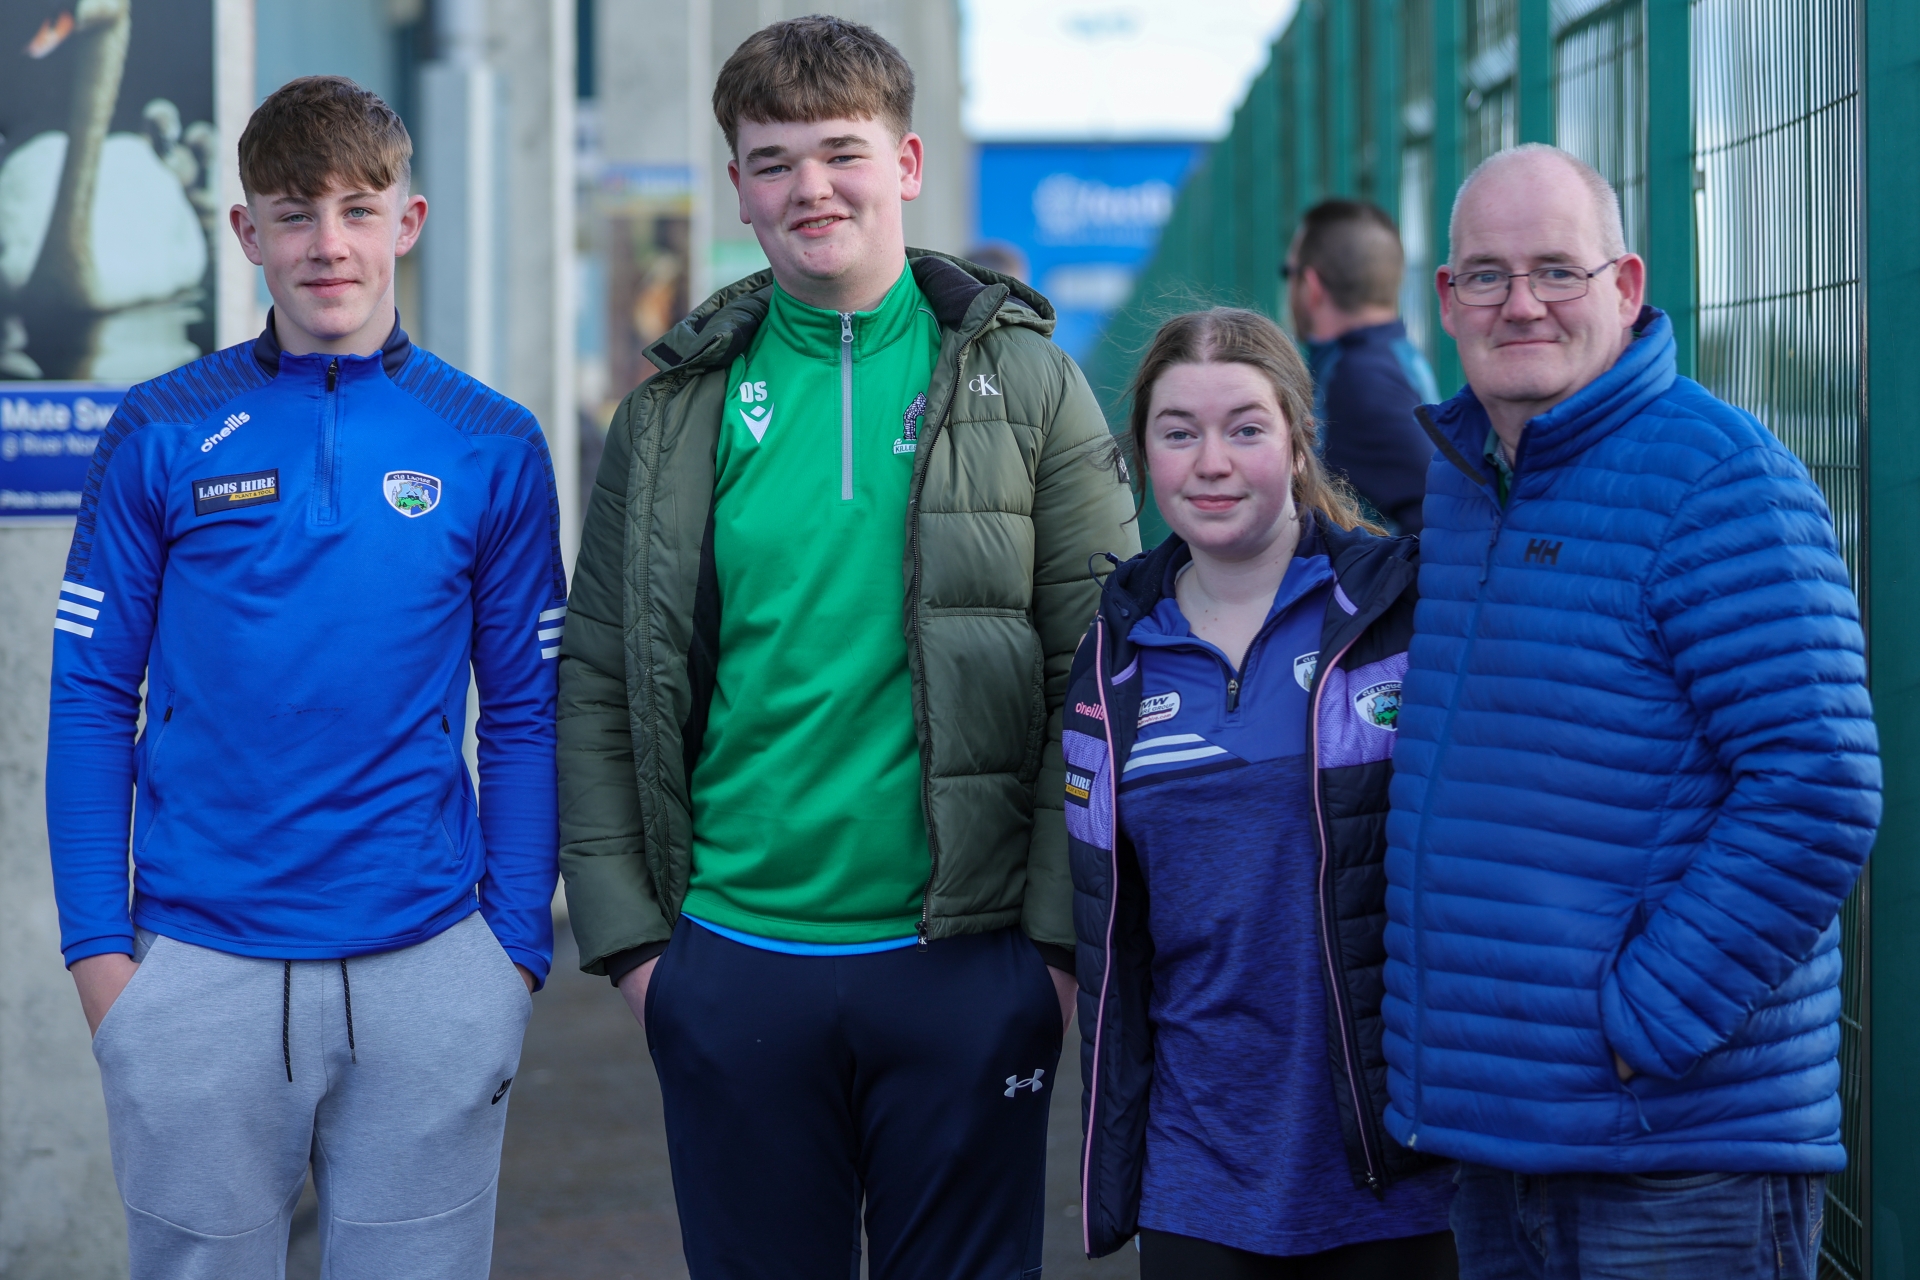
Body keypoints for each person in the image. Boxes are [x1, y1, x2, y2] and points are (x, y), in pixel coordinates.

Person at [555, 16, 1138, 1279]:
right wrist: (639, 953)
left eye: (841, 150)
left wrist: (1048, 952)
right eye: (773, 161)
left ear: (908, 161)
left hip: (967, 969)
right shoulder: (666, 412)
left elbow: (1099, 677)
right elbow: (600, 679)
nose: (810, 186)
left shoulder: (1031, 385)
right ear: (740, 191)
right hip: (731, 960)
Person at [45, 76, 560, 1278]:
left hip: (430, 961)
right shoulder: (161, 426)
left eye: (358, 208)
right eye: (293, 212)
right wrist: (103, 965)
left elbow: (529, 712)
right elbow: (87, 699)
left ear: (409, 220)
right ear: (247, 233)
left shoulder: (489, 439)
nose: (328, 243)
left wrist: (510, 953)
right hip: (196, 966)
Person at [1383, 143, 1880, 1278]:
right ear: (1446, 299)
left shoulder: (1717, 479)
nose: (1523, 303)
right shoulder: (1465, 481)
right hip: (1503, 1141)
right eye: (1487, 274)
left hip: (1675, 1156)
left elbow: (1820, 783)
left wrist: (1645, 1021)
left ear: (1627, 285)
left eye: (1558, 269)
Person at [1065, 307, 1457, 1279]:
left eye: (1245, 427)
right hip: (1199, 1175)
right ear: (1143, 451)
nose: (1211, 461)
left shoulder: (1402, 615)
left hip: (1398, 1171)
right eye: (1178, 430)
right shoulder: (1112, 657)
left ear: (1296, 435)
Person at [1286, 200, 1438, 533]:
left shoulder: (1360, 379)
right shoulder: (1393, 356)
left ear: (1311, 286)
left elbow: (1437, 509)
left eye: (1289, 273)